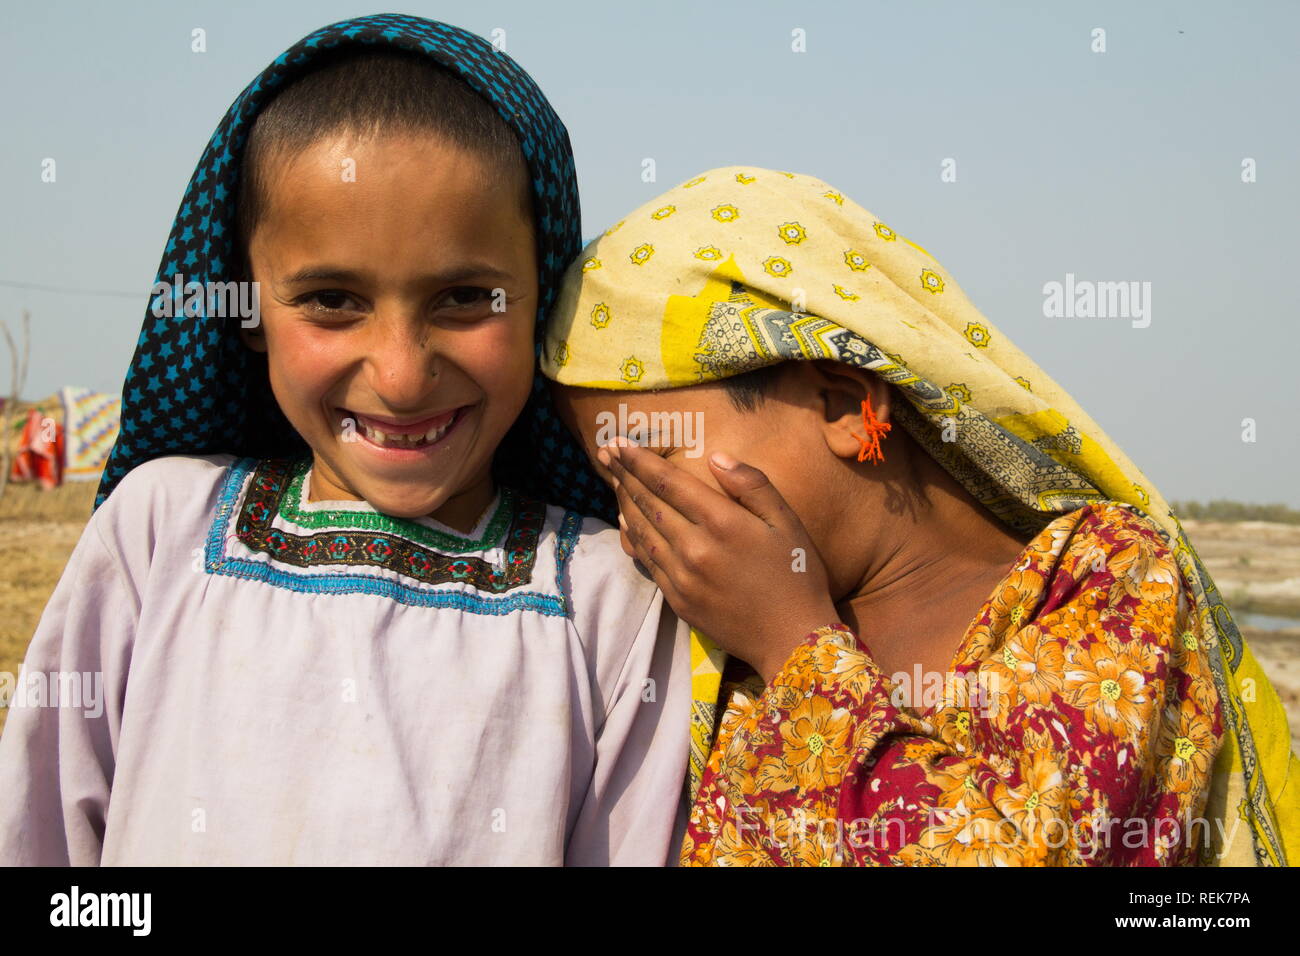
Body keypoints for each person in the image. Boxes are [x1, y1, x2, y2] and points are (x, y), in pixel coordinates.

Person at [0, 15, 691, 866]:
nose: (401, 376)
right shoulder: (158, 533)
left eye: (467, 298)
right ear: (244, 308)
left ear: (542, 295)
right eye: (331, 300)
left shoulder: (607, 597)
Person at [540, 166, 1299, 866]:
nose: (636, 528)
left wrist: (793, 646)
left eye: (652, 464)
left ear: (845, 403)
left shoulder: (1103, 581)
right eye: (612, 489)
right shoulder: (712, 665)